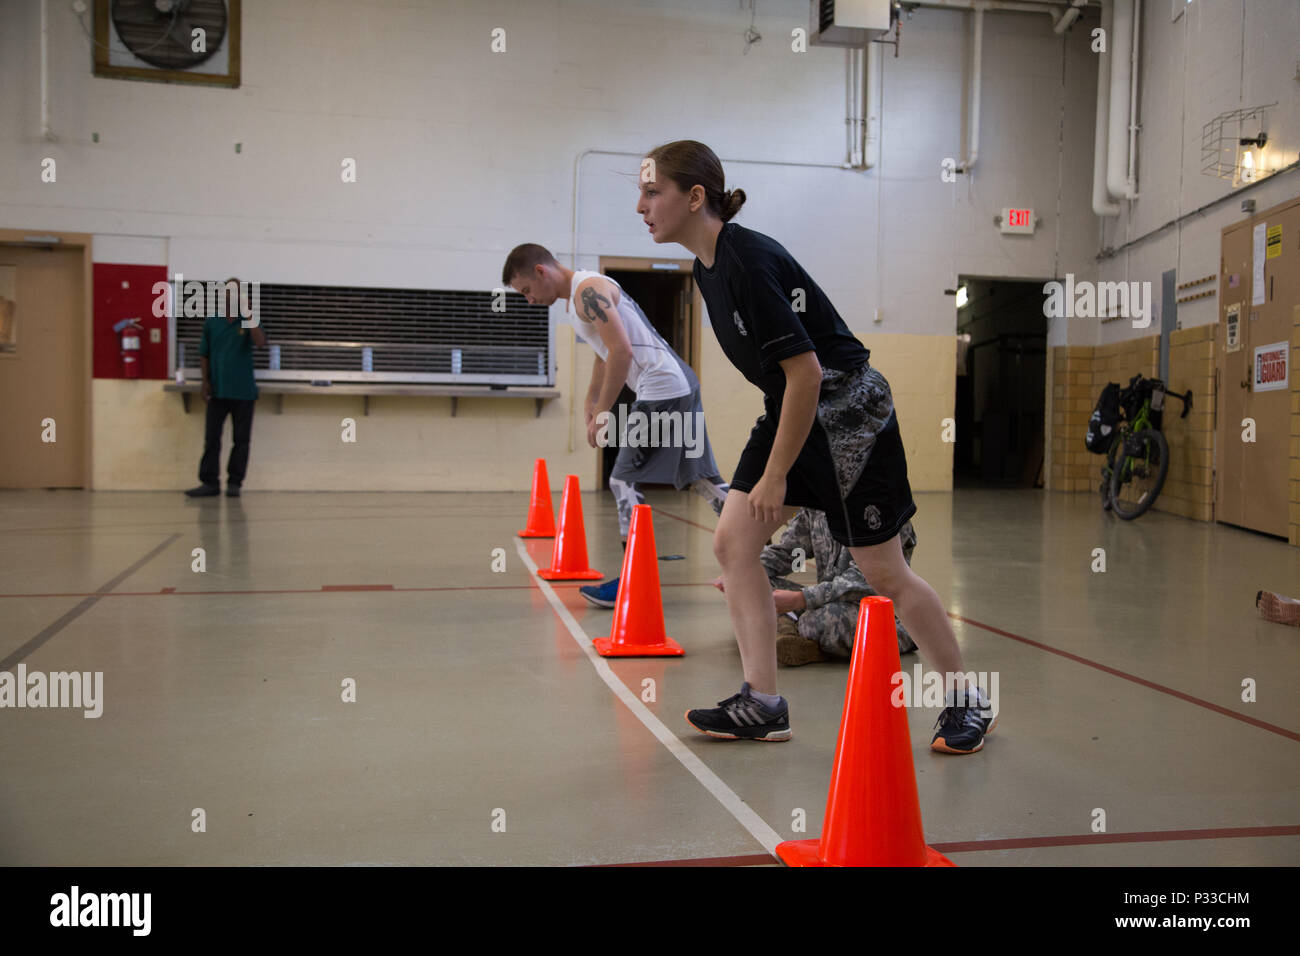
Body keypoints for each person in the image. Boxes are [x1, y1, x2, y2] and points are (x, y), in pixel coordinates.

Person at [638, 140, 994, 752]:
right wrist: (778, 463)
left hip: (850, 412)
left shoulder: (748, 262)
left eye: (652, 192)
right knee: (733, 543)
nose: (641, 206)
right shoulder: (707, 268)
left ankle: (966, 699)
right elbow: (791, 383)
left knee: (885, 570)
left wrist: (777, 476)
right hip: (794, 409)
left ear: (694, 197)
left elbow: (806, 370)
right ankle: (763, 702)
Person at [503, 244, 730, 606]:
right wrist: (592, 401)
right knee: (701, 479)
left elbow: (622, 352)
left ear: (541, 272)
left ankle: (631, 584)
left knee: (622, 478)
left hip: (661, 388)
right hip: (678, 383)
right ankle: (762, 547)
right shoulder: (581, 296)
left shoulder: (587, 292)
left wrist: (606, 411)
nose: (529, 300)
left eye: (526, 291)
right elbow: (604, 352)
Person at [714, 508, 918, 666]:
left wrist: (801, 599)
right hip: (825, 600)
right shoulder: (817, 504)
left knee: (818, 622)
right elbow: (791, 554)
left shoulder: (880, 508)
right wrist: (742, 571)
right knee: (751, 585)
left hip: (875, 609)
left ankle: (799, 634)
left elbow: (865, 581)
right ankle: (796, 634)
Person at [185, 278, 266, 498]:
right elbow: (204, 353)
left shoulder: (248, 320)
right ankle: (210, 482)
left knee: (241, 440)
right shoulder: (213, 321)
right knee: (212, 438)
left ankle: (235, 483)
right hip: (218, 390)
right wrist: (205, 382)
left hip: (244, 392)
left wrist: (249, 313)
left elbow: (260, 342)